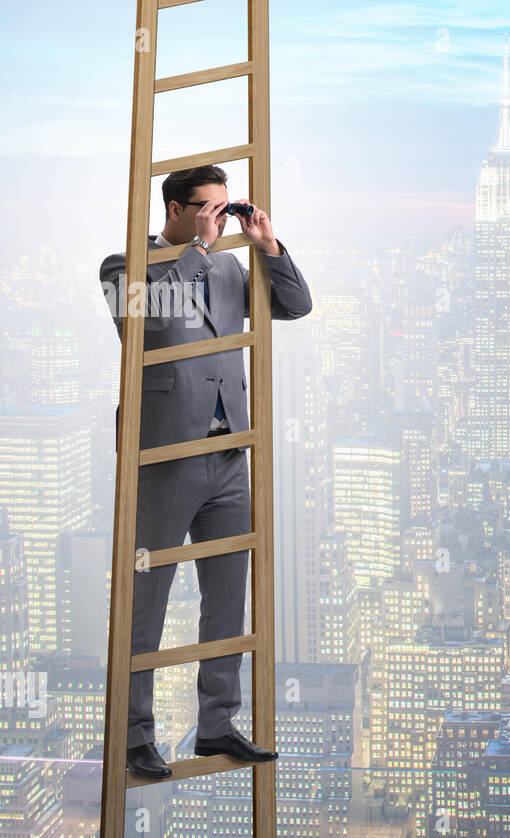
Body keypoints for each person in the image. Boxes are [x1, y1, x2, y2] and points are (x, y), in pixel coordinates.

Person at [99, 164, 312, 778]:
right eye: (210, 208)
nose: (222, 220)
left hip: (227, 453)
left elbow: (295, 307)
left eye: (227, 208)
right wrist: (197, 248)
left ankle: (216, 725)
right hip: (163, 457)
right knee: (147, 602)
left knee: (227, 598)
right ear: (175, 209)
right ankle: (137, 737)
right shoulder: (124, 268)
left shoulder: (226, 266)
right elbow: (152, 325)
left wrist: (268, 246)